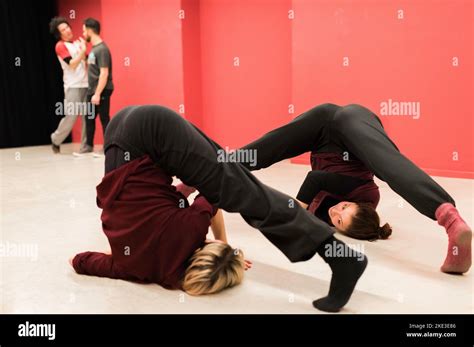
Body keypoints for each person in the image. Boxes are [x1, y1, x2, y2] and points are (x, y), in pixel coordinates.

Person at [71, 104, 368, 313]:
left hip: (150, 134)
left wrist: (227, 247)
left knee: (246, 193)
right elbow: (81, 261)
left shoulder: (187, 232)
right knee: (229, 174)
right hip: (122, 132)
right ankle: (339, 258)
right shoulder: (130, 268)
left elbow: (214, 197)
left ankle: (339, 258)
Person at [240, 103, 472, 274]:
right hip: (353, 121)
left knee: (268, 146)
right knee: (387, 163)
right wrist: (294, 216)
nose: (336, 212)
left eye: (339, 220)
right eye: (344, 207)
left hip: (321, 131)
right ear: (355, 203)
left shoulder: (328, 219)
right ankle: (450, 219)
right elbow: (315, 179)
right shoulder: (367, 194)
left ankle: (215, 170)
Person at [49, 17, 88, 155]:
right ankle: (56, 139)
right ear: (59, 34)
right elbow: (72, 64)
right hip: (73, 86)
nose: (67, 30)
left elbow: (88, 60)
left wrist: (85, 51)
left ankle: (85, 146)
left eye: (68, 27)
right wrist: (83, 51)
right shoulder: (60, 46)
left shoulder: (77, 44)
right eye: (63, 29)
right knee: (71, 117)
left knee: (87, 117)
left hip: (85, 84)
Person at [80, 17, 114, 156]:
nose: (83, 34)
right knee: (89, 117)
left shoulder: (102, 49)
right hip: (92, 89)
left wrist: (98, 93)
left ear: (89, 30)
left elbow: (104, 73)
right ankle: (88, 146)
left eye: (83, 31)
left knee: (104, 118)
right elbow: (91, 65)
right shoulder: (94, 49)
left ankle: (108, 148)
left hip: (102, 89)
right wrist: (83, 50)